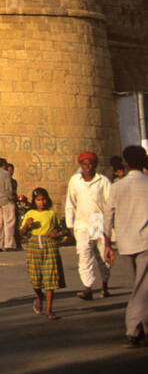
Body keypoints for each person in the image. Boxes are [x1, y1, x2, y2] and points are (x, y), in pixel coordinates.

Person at [105, 145, 148, 347]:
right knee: (141, 288)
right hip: (144, 242)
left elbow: (108, 217)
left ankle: (140, 328)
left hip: (124, 242)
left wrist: (106, 243)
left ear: (126, 163)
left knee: (138, 287)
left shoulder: (116, 187)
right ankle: (132, 328)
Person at [65, 151, 111, 300]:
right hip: (81, 222)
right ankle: (88, 288)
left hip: (98, 220)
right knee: (84, 253)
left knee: (102, 255)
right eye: (84, 164)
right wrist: (70, 223)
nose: (88, 167)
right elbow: (70, 203)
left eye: (90, 164)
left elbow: (110, 204)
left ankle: (105, 284)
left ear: (95, 165)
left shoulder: (103, 181)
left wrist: (110, 226)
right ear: (81, 165)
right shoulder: (75, 181)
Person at [20, 187, 66, 320]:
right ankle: (40, 297)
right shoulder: (30, 214)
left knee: (50, 278)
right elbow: (22, 232)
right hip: (34, 246)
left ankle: (49, 310)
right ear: (34, 201)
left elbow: (59, 228)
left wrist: (56, 233)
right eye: (39, 200)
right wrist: (27, 226)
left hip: (49, 245)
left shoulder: (51, 214)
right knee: (35, 279)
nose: (42, 202)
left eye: (44, 199)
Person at [0, 157, 18, 252]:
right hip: (6, 200)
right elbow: (8, 188)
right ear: (4, 164)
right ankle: (8, 244)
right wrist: (10, 198)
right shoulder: (6, 174)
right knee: (9, 222)